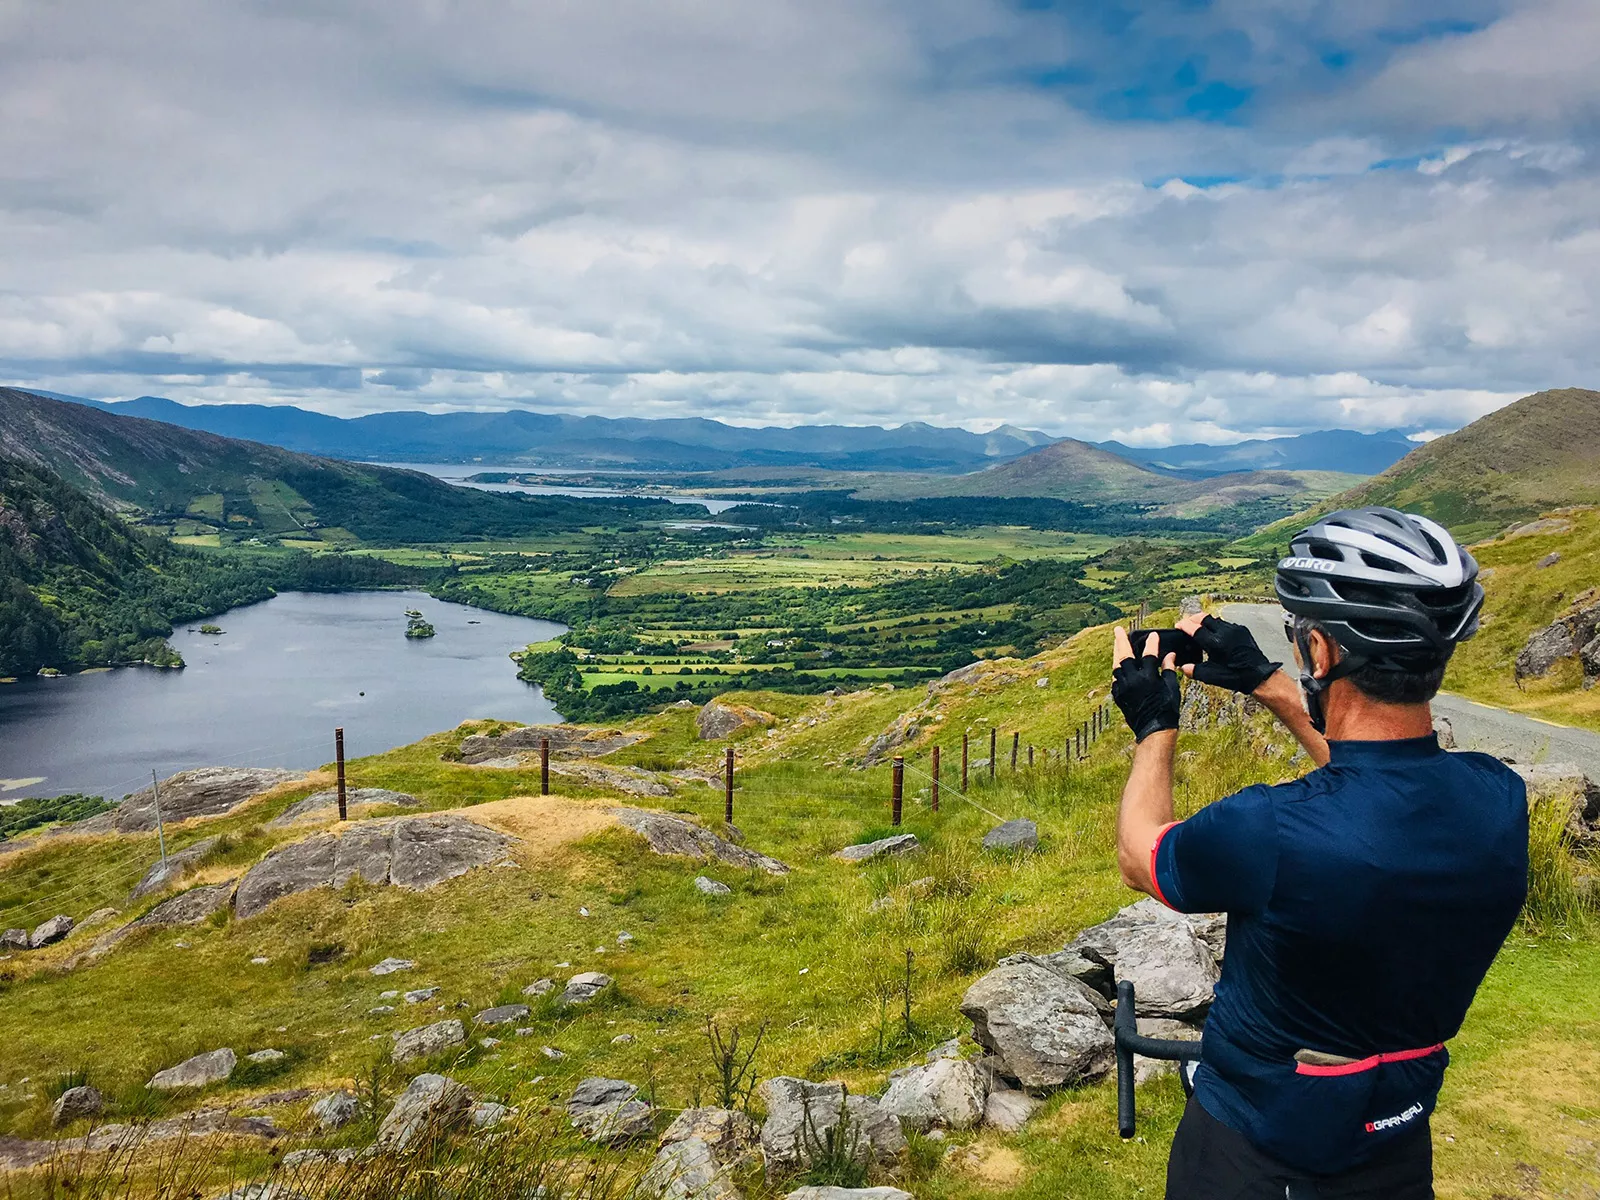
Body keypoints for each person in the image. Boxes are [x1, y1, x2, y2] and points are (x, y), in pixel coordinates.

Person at [1109, 507, 1528, 1199]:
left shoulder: (1272, 830)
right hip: (1395, 1139)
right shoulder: (1497, 800)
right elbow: (1383, 784)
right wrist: (1272, 684)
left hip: (1254, 1151)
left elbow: (1139, 854)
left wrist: (1154, 724)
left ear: (1324, 653)